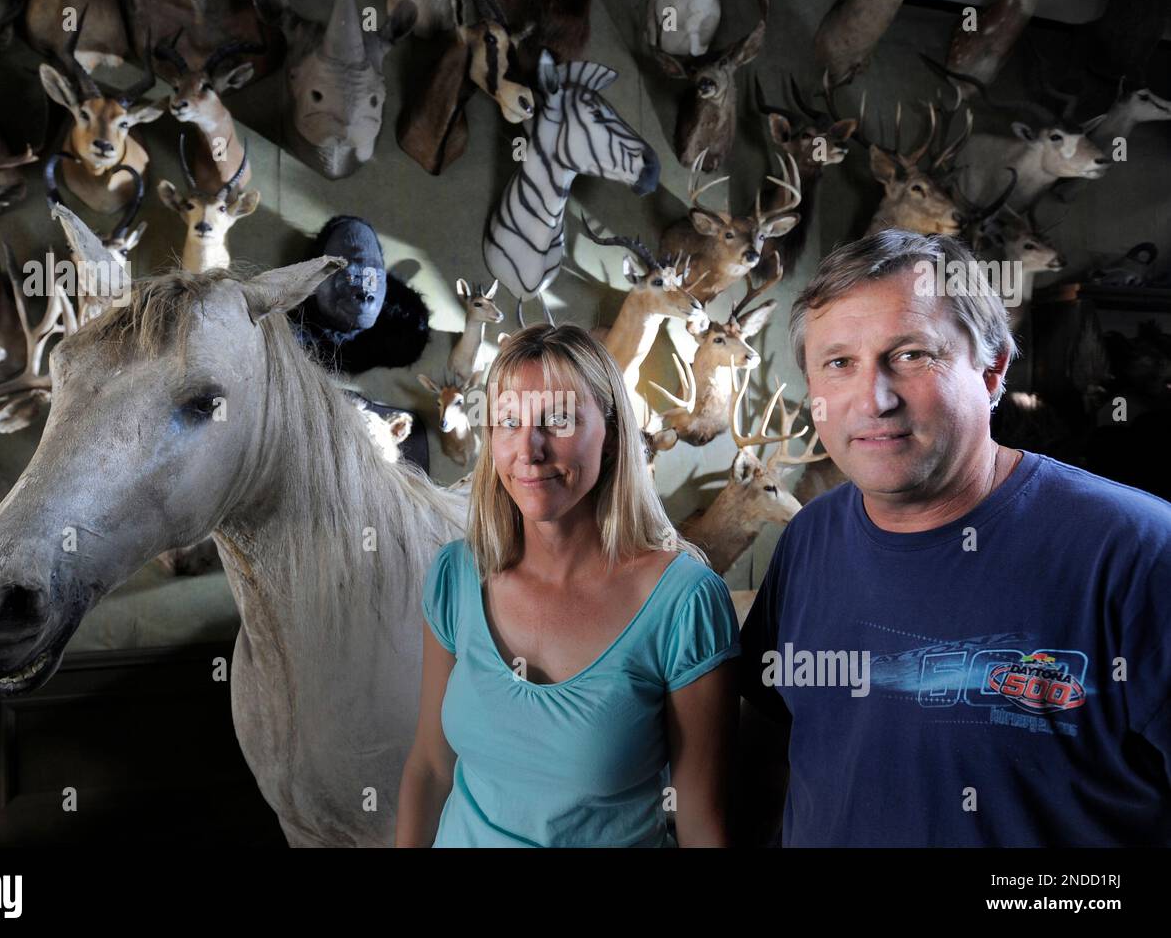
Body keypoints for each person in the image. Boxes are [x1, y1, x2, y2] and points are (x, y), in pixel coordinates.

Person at [738, 229, 1171, 846]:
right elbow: (767, 753)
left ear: (992, 372)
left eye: (912, 355)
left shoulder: (1139, 553)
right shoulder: (808, 540)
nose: (875, 398)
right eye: (839, 364)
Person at [396, 324, 741, 847]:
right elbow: (429, 767)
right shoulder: (456, 575)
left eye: (557, 420)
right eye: (509, 421)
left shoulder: (684, 603)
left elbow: (701, 823)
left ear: (612, 437)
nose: (529, 451)